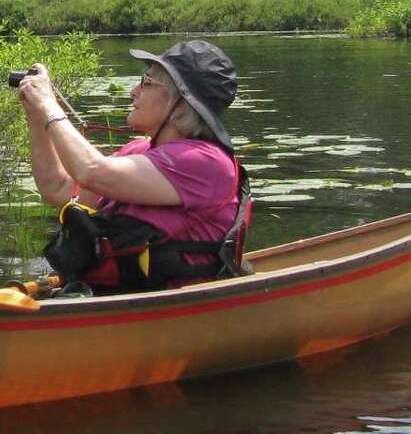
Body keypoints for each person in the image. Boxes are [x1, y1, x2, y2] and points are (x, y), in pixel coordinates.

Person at [15, 39, 245, 292]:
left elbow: (91, 171)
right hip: (115, 294)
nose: (133, 92)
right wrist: (36, 115)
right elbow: (57, 188)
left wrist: (49, 104)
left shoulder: (205, 162)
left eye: (146, 83)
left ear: (182, 104)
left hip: (164, 302)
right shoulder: (139, 150)